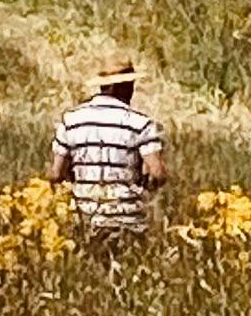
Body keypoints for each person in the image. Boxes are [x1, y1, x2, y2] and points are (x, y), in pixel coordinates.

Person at [48, 51, 168, 247]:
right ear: (123, 87)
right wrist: (144, 184)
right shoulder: (140, 124)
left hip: (84, 218)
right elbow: (158, 172)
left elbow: (55, 175)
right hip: (127, 222)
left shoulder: (71, 121)